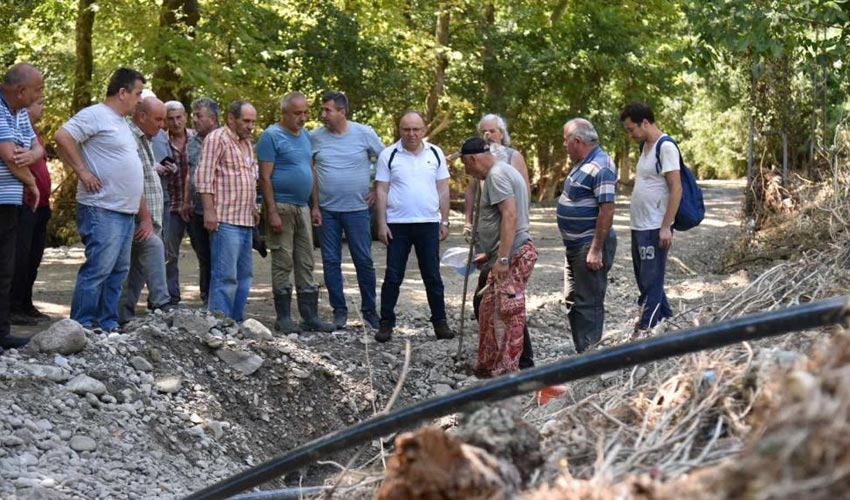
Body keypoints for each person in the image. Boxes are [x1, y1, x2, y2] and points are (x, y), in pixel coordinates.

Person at [55, 67, 145, 332]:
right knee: (99, 269)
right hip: (102, 207)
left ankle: (107, 323)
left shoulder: (121, 121)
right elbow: (63, 136)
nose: (140, 99)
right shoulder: (96, 114)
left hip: (123, 209)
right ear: (122, 92)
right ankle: (81, 325)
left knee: (118, 272)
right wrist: (82, 171)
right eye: (138, 93)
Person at [374, 111, 454, 343]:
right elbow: (381, 190)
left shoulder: (436, 154)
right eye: (406, 129)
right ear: (399, 130)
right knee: (393, 276)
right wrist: (381, 223)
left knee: (433, 276)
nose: (411, 134)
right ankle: (386, 324)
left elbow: (443, 189)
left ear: (424, 130)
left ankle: (440, 323)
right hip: (397, 225)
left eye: (416, 129)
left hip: (428, 223)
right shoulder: (388, 155)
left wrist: (445, 221)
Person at [459, 137, 536, 378]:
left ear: (473, 159)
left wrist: (502, 259)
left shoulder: (497, 175)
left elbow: (510, 215)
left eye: (466, 167)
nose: (468, 172)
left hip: (513, 254)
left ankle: (512, 371)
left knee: (507, 315)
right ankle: (490, 366)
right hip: (504, 254)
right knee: (489, 309)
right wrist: (490, 255)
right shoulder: (501, 172)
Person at [258, 92, 333, 333]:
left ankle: (309, 316)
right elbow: (265, 178)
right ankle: (284, 318)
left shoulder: (305, 137)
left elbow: (310, 170)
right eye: (297, 113)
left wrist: (315, 205)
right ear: (284, 113)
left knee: (306, 260)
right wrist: (272, 212)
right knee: (283, 259)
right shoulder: (271, 136)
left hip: (302, 207)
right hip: (281, 205)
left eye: (305, 113)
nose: (302, 118)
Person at [311, 91, 384, 330]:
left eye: (327, 110)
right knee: (330, 261)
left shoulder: (364, 133)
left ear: (342, 112)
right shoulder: (315, 137)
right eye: (322, 110)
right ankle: (339, 311)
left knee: (363, 260)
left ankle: (369, 311)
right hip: (327, 210)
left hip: (357, 209)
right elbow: (309, 169)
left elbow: (386, 160)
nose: (323, 115)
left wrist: (376, 188)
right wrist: (314, 205)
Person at [194, 100, 259, 322]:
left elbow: (249, 178)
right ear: (231, 118)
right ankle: (219, 324)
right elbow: (203, 177)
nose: (251, 126)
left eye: (253, 121)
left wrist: (253, 207)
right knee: (225, 277)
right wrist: (209, 212)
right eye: (246, 121)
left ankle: (237, 323)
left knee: (245, 276)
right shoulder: (217, 139)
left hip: (245, 219)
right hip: (225, 219)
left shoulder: (247, 143)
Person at [557, 118, 617, 352]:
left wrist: (596, 249)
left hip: (589, 245)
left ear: (578, 141)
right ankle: (582, 350)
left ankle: (590, 356)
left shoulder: (600, 166)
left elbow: (607, 209)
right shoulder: (582, 163)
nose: (564, 144)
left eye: (565, 140)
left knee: (588, 302)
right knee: (572, 298)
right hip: (574, 247)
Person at [620, 102, 682, 330]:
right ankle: (668, 322)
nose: (630, 135)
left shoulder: (665, 147)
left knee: (650, 281)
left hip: (655, 225)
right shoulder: (645, 147)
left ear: (645, 122)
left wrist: (666, 226)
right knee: (645, 279)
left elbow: (676, 188)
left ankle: (647, 327)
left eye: (631, 129)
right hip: (640, 224)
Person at [118, 95, 173, 324]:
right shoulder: (129, 136)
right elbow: (132, 181)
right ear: (141, 117)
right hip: (136, 216)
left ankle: (122, 316)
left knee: (135, 273)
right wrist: (145, 218)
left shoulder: (146, 138)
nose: (163, 125)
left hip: (148, 216)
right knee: (153, 247)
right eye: (158, 119)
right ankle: (163, 302)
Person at [0, 62, 44, 350]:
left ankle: (2, 332)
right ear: (21, 90)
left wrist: (29, 155)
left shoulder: (19, 113)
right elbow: (8, 156)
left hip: (9, 201)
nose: (40, 95)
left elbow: (36, 147)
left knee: (6, 268)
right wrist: (31, 182)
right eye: (37, 90)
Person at [9, 98, 51, 326]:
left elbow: (39, 155)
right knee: (20, 258)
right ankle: (13, 307)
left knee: (34, 258)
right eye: (40, 103)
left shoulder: (34, 134)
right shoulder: (15, 131)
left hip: (41, 206)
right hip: (24, 204)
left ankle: (25, 303)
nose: (43, 107)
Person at [158, 101, 195, 305]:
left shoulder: (197, 139)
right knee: (169, 254)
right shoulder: (159, 141)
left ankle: (208, 296)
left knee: (205, 253)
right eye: (170, 118)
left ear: (185, 117)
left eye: (179, 117)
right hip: (171, 205)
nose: (175, 122)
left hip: (195, 206)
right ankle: (171, 297)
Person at [184, 97, 219, 305]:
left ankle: (218, 299)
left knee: (218, 256)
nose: (194, 119)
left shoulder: (225, 138)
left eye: (199, 116)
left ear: (212, 119)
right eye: (194, 115)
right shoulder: (193, 141)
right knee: (203, 255)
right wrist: (186, 200)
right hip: (196, 209)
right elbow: (191, 172)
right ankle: (206, 296)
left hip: (219, 209)